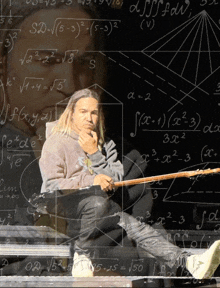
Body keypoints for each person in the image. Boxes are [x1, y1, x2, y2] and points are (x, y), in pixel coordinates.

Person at [39, 88, 220, 280]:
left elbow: (115, 181)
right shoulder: (57, 142)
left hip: (105, 211)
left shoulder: (104, 144)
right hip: (70, 212)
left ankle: (189, 263)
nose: (89, 118)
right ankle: (82, 256)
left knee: (139, 229)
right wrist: (92, 180)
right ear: (72, 114)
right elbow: (51, 185)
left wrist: (94, 154)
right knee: (98, 203)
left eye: (94, 113)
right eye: (83, 112)